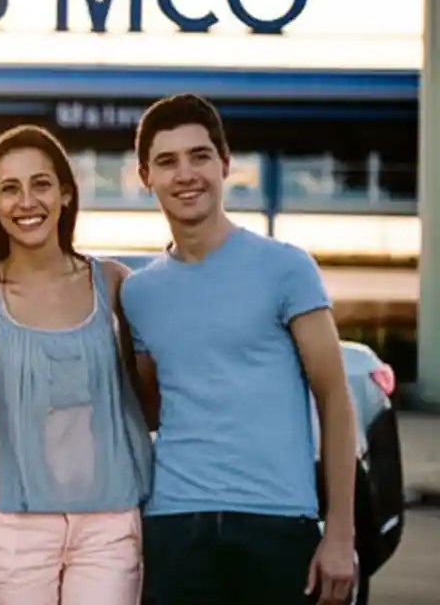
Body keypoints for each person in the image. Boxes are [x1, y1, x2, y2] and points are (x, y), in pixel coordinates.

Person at [120, 93, 358, 605]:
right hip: (176, 527)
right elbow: (149, 411)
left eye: (199, 156)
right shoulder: (139, 293)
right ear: (146, 177)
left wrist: (340, 533)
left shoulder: (287, 268)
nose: (186, 174)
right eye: (167, 161)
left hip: (278, 524)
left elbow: (336, 402)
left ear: (225, 164)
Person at [0, 125, 153, 605]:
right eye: (9, 188)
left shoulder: (115, 285)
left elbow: (149, 403)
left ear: (66, 193)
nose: (26, 201)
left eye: (40, 184)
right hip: (13, 533)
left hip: (110, 525)